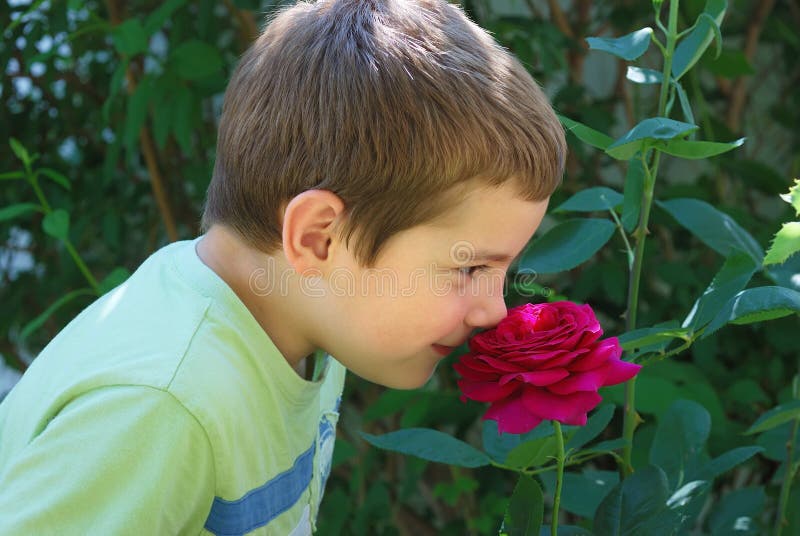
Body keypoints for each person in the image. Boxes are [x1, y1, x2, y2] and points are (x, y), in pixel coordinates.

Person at [0, 0, 566, 533]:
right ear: (320, 237)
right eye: (469, 269)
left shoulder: (310, 315)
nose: (496, 309)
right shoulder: (160, 409)